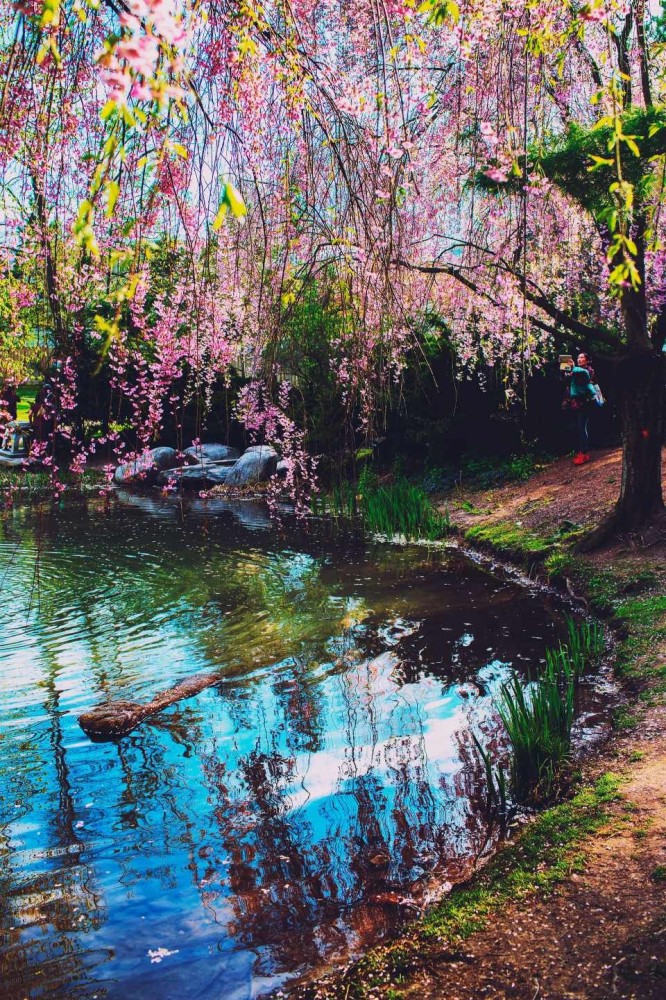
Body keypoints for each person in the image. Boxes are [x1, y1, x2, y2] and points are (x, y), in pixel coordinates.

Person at [562, 351, 596, 465]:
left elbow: (583, 376)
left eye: (582, 358)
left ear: (587, 360)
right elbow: (568, 382)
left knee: (582, 427)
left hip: (585, 403)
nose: (579, 359)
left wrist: (573, 368)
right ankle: (581, 451)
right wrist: (567, 371)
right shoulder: (574, 370)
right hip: (574, 403)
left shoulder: (588, 370)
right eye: (578, 358)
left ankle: (584, 453)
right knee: (578, 427)